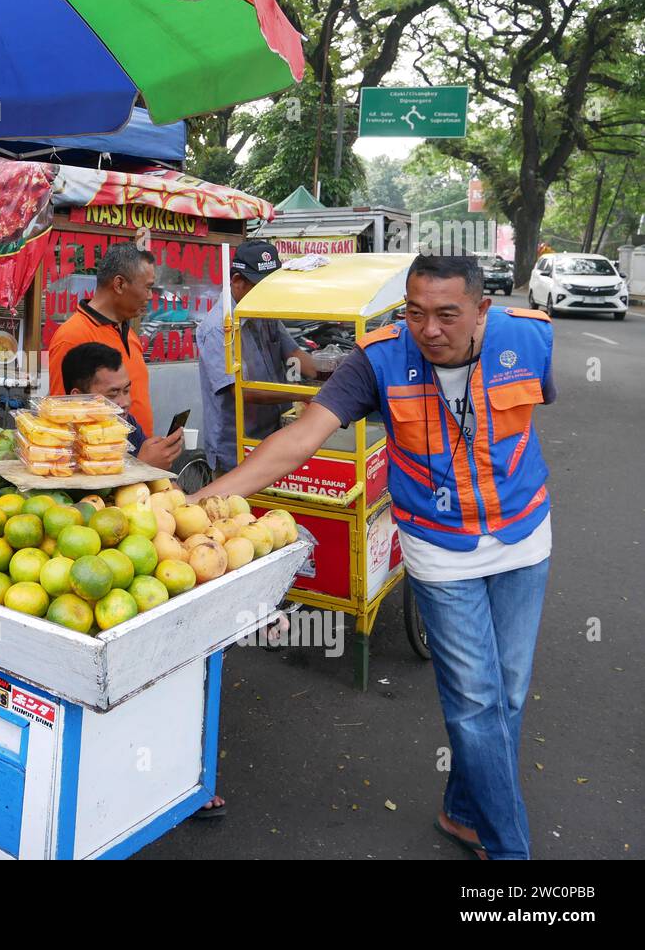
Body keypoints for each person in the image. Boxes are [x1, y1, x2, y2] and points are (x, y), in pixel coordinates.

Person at [191, 256, 556, 860]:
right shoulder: (378, 359)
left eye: (447, 315)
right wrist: (203, 500)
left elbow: (527, 415)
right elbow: (299, 440)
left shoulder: (529, 338)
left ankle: (464, 812)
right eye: (416, 312)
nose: (430, 329)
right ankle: (510, 853)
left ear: (482, 310)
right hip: (440, 551)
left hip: (524, 539)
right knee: (475, 704)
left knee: (508, 696)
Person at [196, 239, 319, 475]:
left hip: (273, 438)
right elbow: (242, 391)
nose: (267, 293)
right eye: (260, 286)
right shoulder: (217, 328)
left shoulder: (263, 312)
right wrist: (305, 393)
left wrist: (328, 375)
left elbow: (293, 352)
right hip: (237, 448)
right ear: (236, 281)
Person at [49, 242, 157, 438]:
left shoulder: (129, 332)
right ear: (119, 284)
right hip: (106, 462)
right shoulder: (73, 335)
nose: (150, 296)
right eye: (148, 287)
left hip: (139, 459)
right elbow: (61, 420)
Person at [60, 342, 184, 470]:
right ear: (79, 398)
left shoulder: (126, 423)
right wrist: (143, 467)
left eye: (126, 391)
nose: (125, 402)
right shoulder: (59, 442)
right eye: (112, 394)